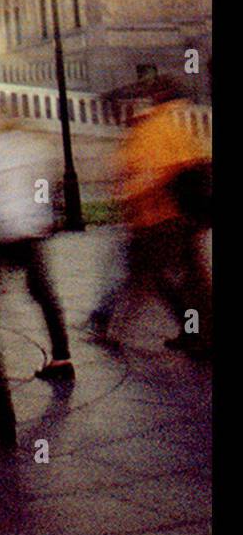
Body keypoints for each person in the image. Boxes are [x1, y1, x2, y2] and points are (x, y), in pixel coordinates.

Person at [0, 122, 73, 451]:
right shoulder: (35, 147)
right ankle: (62, 357)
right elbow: (48, 187)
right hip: (28, 229)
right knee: (43, 291)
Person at [86, 81, 212, 352]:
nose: (117, 118)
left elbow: (156, 174)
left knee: (144, 279)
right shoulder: (165, 126)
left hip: (159, 221)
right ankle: (196, 333)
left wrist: (127, 194)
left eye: (118, 111)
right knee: (185, 281)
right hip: (179, 219)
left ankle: (113, 330)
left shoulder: (150, 132)